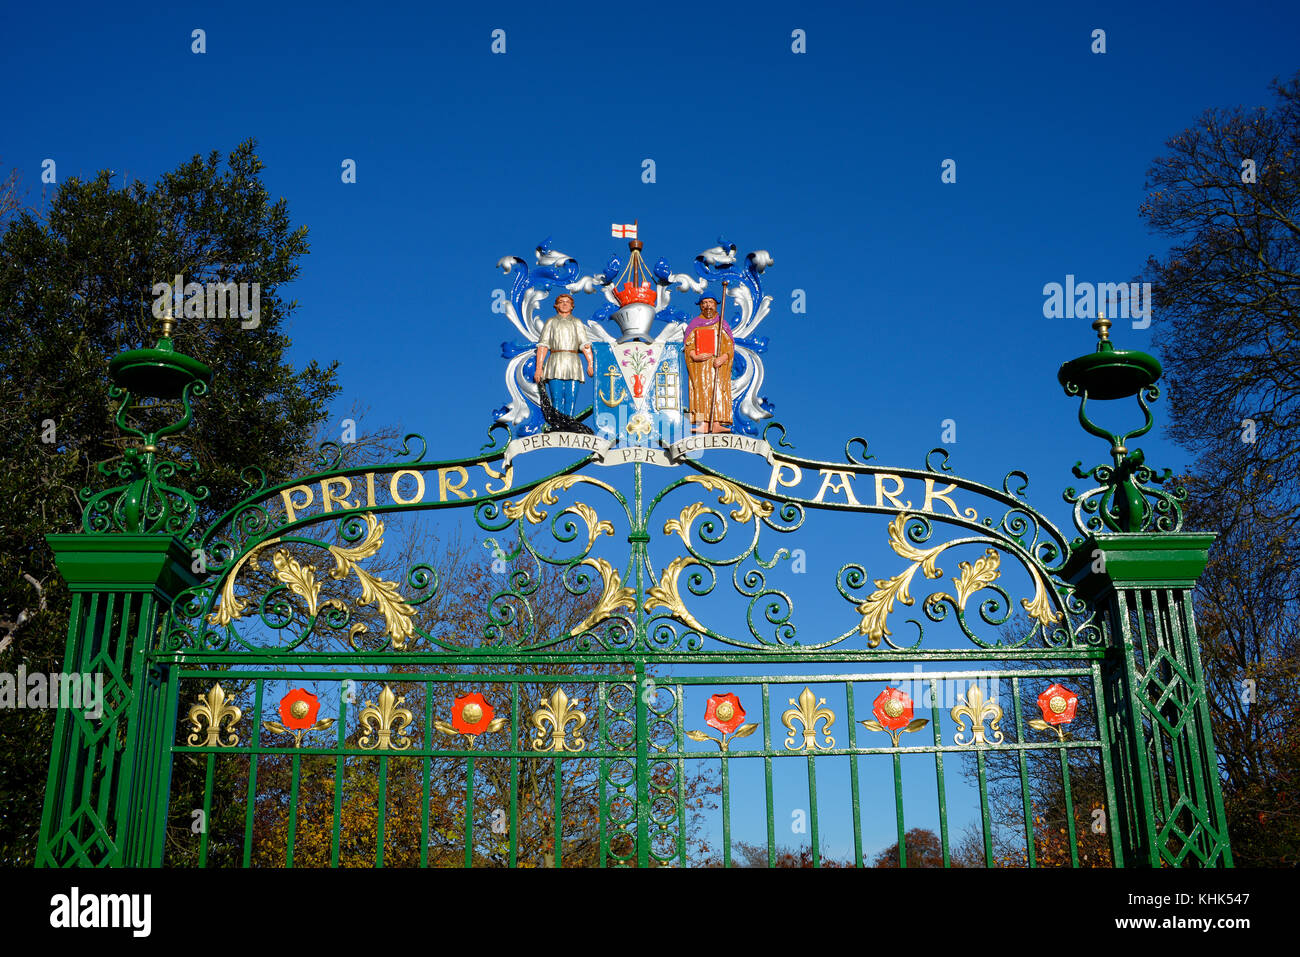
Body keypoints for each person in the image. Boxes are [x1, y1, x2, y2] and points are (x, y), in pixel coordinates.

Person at [534, 292, 594, 421]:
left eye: (567, 302)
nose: (565, 304)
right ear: (556, 305)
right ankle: (558, 422)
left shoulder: (577, 322)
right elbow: (543, 345)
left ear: (572, 306)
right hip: (556, 360)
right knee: (556, 396)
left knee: (571, 396)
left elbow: (585, 344)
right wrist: (539, 368)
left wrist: (590, 363)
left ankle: (569, 421)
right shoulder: (551, 322)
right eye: (561, 301)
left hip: (573, 361)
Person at [682, 294, 735, 433]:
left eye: (710, 302)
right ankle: (701, 423)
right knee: (699, 392)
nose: (707, 306)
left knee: (716, 391)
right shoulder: (695, 324)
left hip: (716, 365)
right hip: (699, 366)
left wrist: (723, 358)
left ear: (716, 304)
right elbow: (689, 345)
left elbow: (729, 346)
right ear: (700, 305)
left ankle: (716, 422)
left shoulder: (721, 324)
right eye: (704, 303)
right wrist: (694, 355)